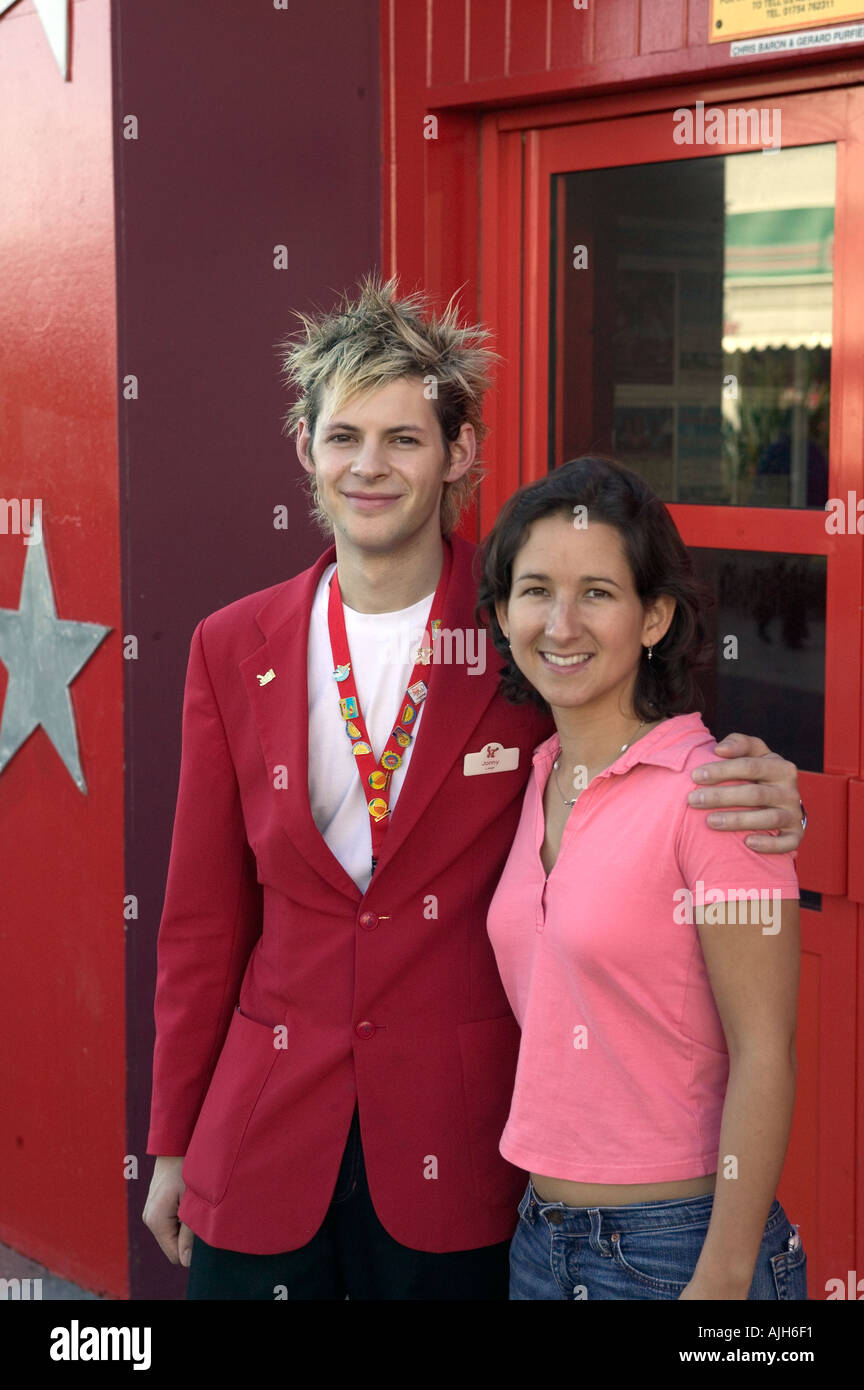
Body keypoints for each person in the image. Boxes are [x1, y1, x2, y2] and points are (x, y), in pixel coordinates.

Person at [142, 278, 806, 1301]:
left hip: (461, 1157)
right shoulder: (233, 646)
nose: (370, 466)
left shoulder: (526, 631)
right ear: (307, 452)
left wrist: (767, 786)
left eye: (405, 438)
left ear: (457, 455)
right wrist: (174, 1135)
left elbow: (649, 748)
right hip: (263, 1133)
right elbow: (199, 921)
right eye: (344, 436)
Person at [478, 456, 806, 1300]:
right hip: (540, 1242)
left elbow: (765, 1053)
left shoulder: (719, 795)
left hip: (679, 1253)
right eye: (536, 589)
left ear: (654, 616)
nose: (561, 622)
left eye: (597, 592)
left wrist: (724, 1279)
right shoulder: (540, 775)